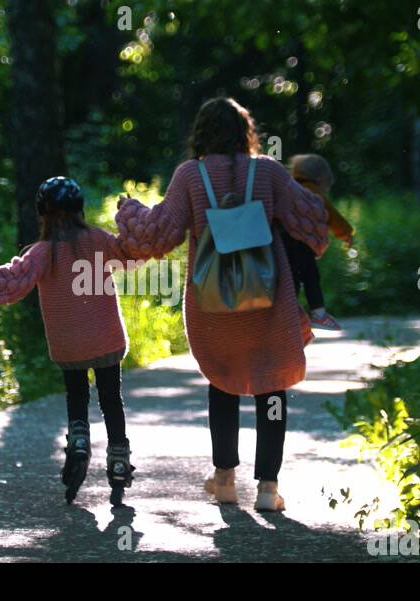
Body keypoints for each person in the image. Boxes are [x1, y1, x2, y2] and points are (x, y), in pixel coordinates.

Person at [114, 97, 328, 511]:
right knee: (271, 388)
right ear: (244, 132)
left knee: (223, 381)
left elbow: (160, 232)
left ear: (201, 132)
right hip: (268, 299)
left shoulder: (189, 176)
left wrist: (130, 212)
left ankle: (225, 479)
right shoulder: (267, 172)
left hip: (212, 301)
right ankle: (268, 488)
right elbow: (309, 220)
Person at [0, 177, 136, 507]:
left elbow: (13, 278)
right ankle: (119, 457)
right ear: (79, 209)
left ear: (42, 213)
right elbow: (131, 253)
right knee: (111, 399)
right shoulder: (98, 240)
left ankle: (79, 441)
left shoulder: (42, 252)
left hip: (69, 344)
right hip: (106, 337)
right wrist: (130, 213)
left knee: (77, 395)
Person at [279, 153, 354, 331]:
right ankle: (319, 314)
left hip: (282, 246)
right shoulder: (315, 193)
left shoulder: (286, 189)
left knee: (291, 281)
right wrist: (347, 234)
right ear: (321, 179)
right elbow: (334, 218)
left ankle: (288, 314)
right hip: (303, 246)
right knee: (311, 277)